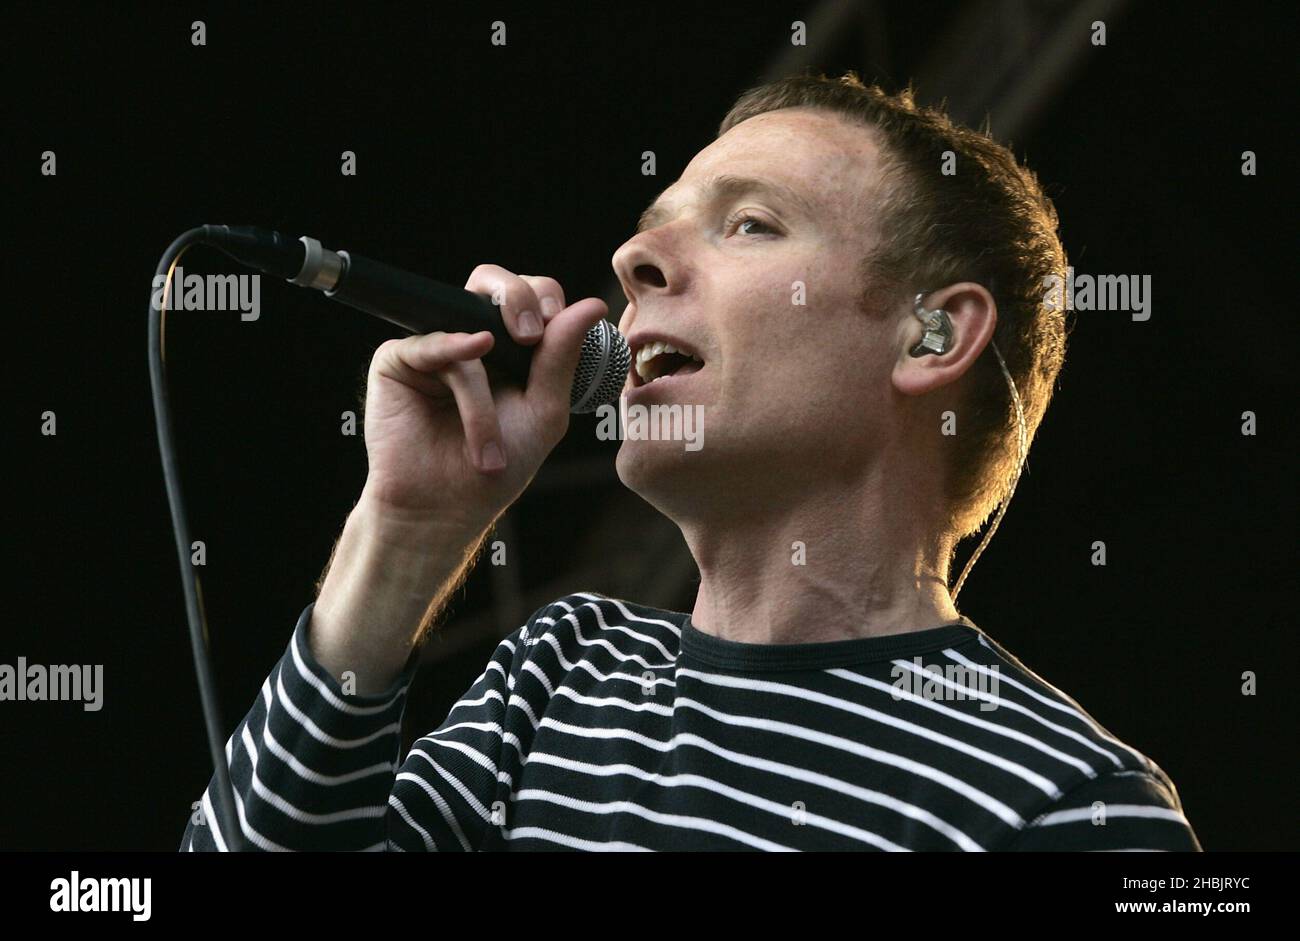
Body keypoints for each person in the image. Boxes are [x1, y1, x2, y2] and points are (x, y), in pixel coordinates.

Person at [182, 72, 1201, 851]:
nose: (632, 263)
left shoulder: (1072, 799)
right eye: (650, 231)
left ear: (930, 336)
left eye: (750, 224)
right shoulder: (563, 674)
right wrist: (406, 533)